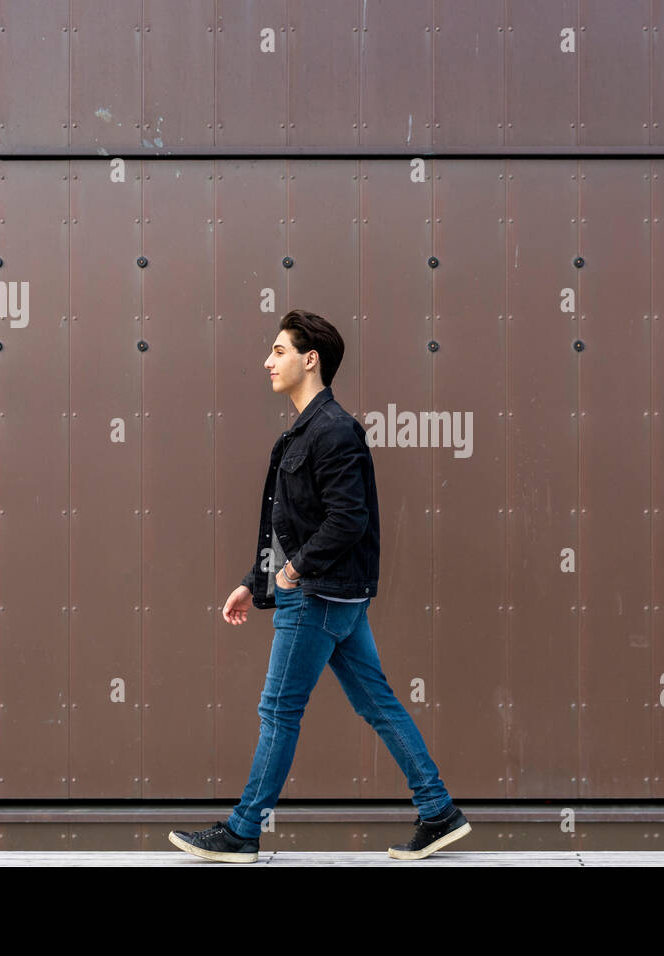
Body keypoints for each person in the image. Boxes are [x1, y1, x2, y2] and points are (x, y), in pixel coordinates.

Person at [168, 309, 471, 863]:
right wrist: (254, 580)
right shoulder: (306, 430)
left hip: (314, 597)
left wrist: (291, 573)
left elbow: (347, 519)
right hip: (331, 596)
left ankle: (241, 832)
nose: (268, 361)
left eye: (279, 350)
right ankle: (438, 810)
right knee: (377, 703)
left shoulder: (333, 430)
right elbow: (293, 521)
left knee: (278, 710)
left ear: (311, 360)